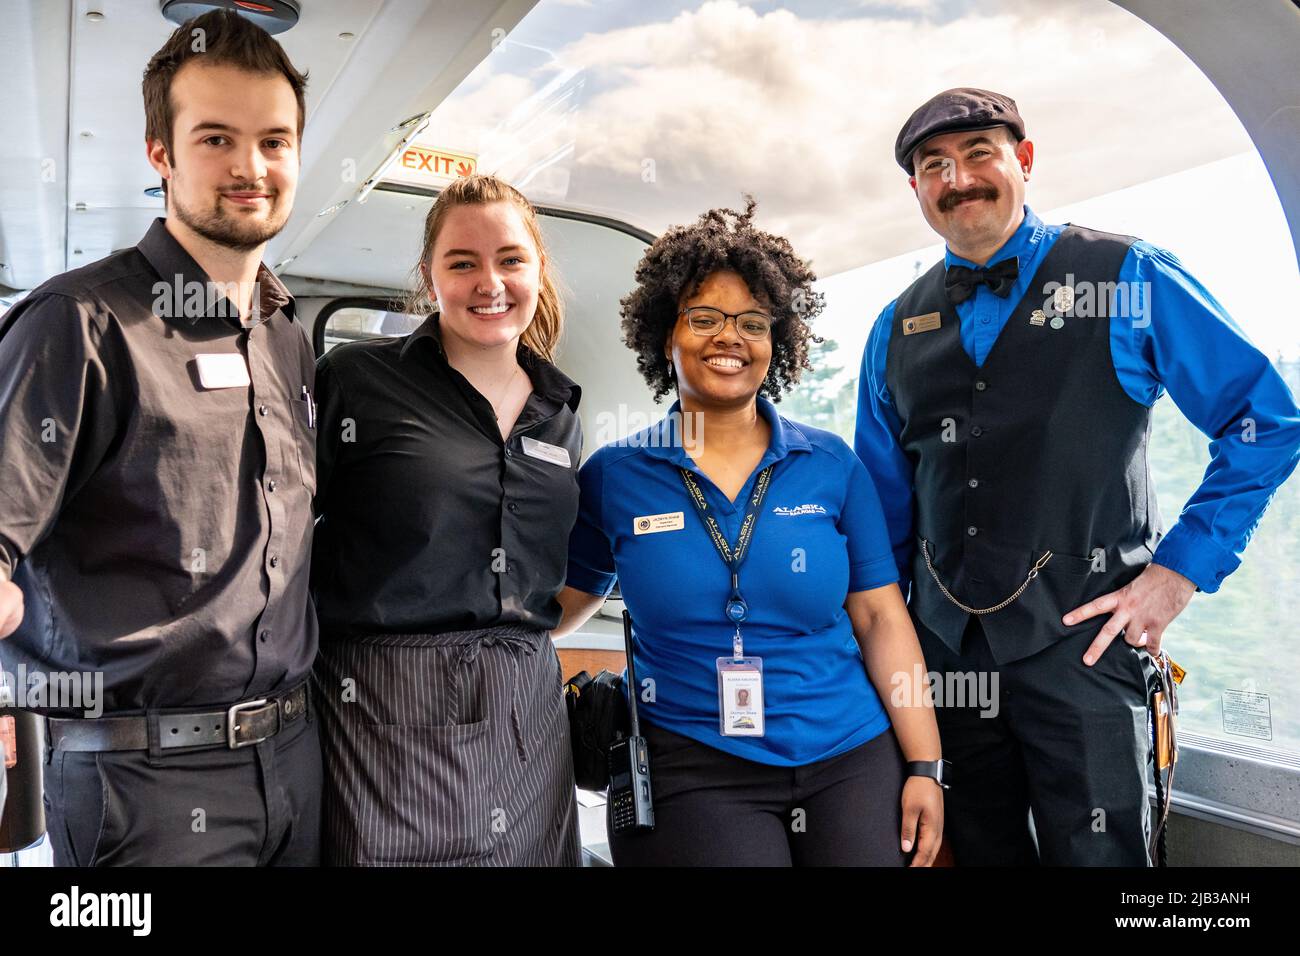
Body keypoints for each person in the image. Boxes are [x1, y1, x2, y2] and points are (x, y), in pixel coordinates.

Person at [856, 87, 1300, 865]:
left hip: (1087, 652)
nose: (958, 179)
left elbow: (1266, 421)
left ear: (1024, 161)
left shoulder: (1128, 274)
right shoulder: (893, 328)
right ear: (916, 189)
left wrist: (1176, 574)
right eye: (934, 166)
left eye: (979, 155)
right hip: (946, 665)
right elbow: (881, 522)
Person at [0, 10, 321, 865]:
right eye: (216, 138)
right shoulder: (77, 324)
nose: (252, 168)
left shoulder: (289, 335)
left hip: (296, 758)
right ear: (161, 155)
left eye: (275, 141)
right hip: (137, 781)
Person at [555, 200, 945, 867]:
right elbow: (554, 609)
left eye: (752, 322)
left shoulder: (830, 466)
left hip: (850, 753)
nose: (728, 338)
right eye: (702, 317)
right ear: (663, 335)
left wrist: (926, 766)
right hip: (693, 764)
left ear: (777, 340)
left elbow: (881, 617)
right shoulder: (614, 477)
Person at [310, 174, 582, 866]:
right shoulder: (357, 381)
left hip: (526, 712)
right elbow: (278, 529)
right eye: (462, 263)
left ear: (538, 269)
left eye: (510, 259)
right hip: (381, 702)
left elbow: (564, 566)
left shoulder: (561, 410)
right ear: (430, 279)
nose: (489, 281)